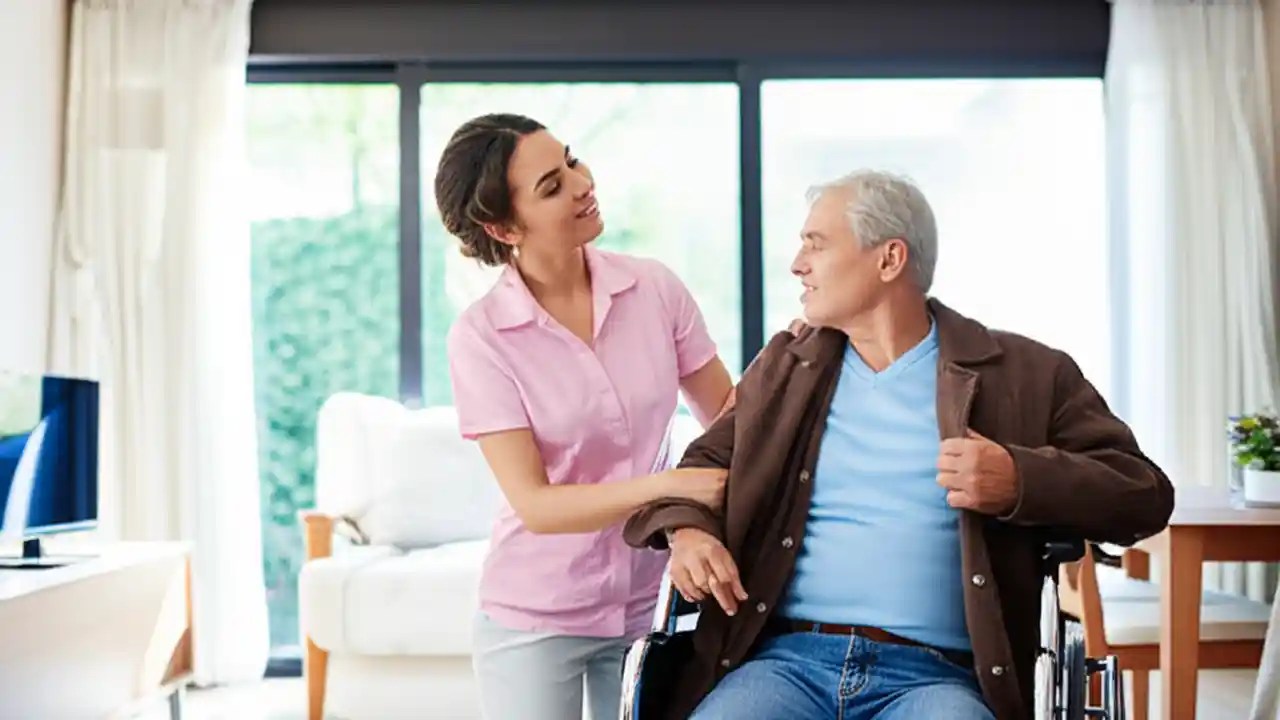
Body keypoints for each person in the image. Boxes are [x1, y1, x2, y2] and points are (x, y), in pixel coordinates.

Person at [625, 170, 1175, 720]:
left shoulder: (1027, 374)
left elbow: (1144, 494)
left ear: (889, 259)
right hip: (784, 665)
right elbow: (703, 463)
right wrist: (688, 531)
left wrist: (1019, 479)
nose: (797, 264)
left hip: (939, 679)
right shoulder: (787, 368)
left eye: (816, 244)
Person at [437, 113, 737, 720]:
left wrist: (691, 524)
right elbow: (537, 505)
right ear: (502, 226)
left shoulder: (654, 290)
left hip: (646, 606)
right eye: (551, 186)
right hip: (533, 618)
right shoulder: (483, 338)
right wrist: (672, 489)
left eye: (570, 161)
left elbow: (732, 424)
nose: (581, 183)